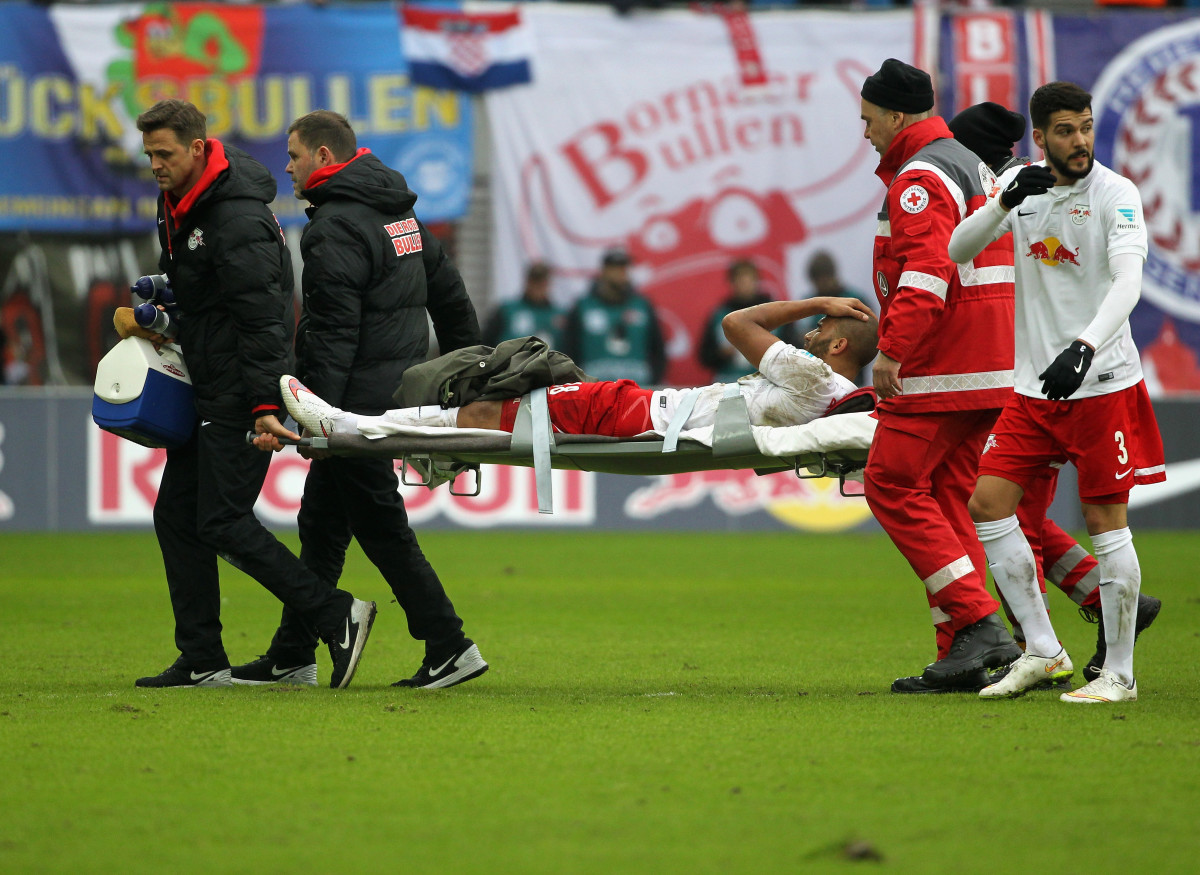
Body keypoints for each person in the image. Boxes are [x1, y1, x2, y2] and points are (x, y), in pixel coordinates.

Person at [116, 99, 375, 689]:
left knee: (223, 520)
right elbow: (205, 295)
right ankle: (202, 658)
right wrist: (160, 309)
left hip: (239, 390)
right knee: (177, 515)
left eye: (164, 153)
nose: (155, 164)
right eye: (149, 154)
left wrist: (264, 404)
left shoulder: (235, 218)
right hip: (207, 382)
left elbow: (264, 319)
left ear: (197, 148)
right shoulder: (181, 203)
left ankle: (337, 614)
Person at [240, 109, 488, 691]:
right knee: (323, 524)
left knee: (379, 524)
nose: (287, 167)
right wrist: (468, 377)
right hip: (393, 395)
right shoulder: (400, 216)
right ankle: (293, 653)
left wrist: (318, 415)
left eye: (294, 155)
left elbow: (332, 334)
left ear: (324, 156)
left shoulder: (334, 227)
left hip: (352, 405)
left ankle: (450, 645)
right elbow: (451, 298)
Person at [948, 82, 1166, 703]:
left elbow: (1128, 282)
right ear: (1041, 138)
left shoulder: (1116, 193)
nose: (1080, 141)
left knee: (1104, 523)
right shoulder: (1020, 187)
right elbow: (957, 249)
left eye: (1086, 127)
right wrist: (1002, 201)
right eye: (1066, 131)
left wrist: (1086, 346)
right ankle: (1043, 650)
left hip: (1101, 383)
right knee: (988, 504)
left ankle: (1118, 674)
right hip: (1034, 389)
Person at [858, 59, 1024, 694]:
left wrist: (892, 351)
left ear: (897, 115)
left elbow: (927, 272)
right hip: (989, 362)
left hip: (943, 365)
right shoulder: (969, 163)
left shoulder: (920, 176)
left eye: (869, 119)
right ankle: (962, 651)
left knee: (890, 483)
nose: (865, 132)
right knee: (950, 499)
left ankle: (979, 622)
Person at [279, 297, 877, 442]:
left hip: (645, 416)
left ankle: (349, 425)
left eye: (821, 327)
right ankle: (363, 425)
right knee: (497, 407)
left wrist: (818, 300)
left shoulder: (816, 376)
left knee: (492, 410)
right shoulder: (828, 389)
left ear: (839, 345)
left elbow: (737, 322)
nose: (810, 330)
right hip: (648, 410)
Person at [563, 247, 665, 385]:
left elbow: (658, 350)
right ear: (604, 271)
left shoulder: (642, 306)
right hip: (595, 390)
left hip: (636, 389)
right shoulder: (583, 307)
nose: (620, 273)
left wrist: (652, 382)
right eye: (615, 267)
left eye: (624, 267)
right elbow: (568, 351)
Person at [698, 259, 788, 384]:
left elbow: (792, 349)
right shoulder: (720, 314)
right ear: (731, 283)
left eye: (748, 280)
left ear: (757, 282)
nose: (745, 286)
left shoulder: (775, 312)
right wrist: (722, 354)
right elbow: (704, 355)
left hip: (767, 382)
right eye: (740, 281)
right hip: (729, 382)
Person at [799, 251, 875, 384]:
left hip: (852, 380)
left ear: (833, 274)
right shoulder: (807, 304)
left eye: (825, 277)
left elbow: (868, 338)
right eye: (818, 279)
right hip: (814, 378)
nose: (822, 283)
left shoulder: (854, 300)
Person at [484, 261, 566, 351]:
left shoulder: (559, 317)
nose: (538, 287)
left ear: (548, 284)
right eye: (534, 282)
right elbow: (487, 340)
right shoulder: (508, 311)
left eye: (542, 283)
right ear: (527, 282)